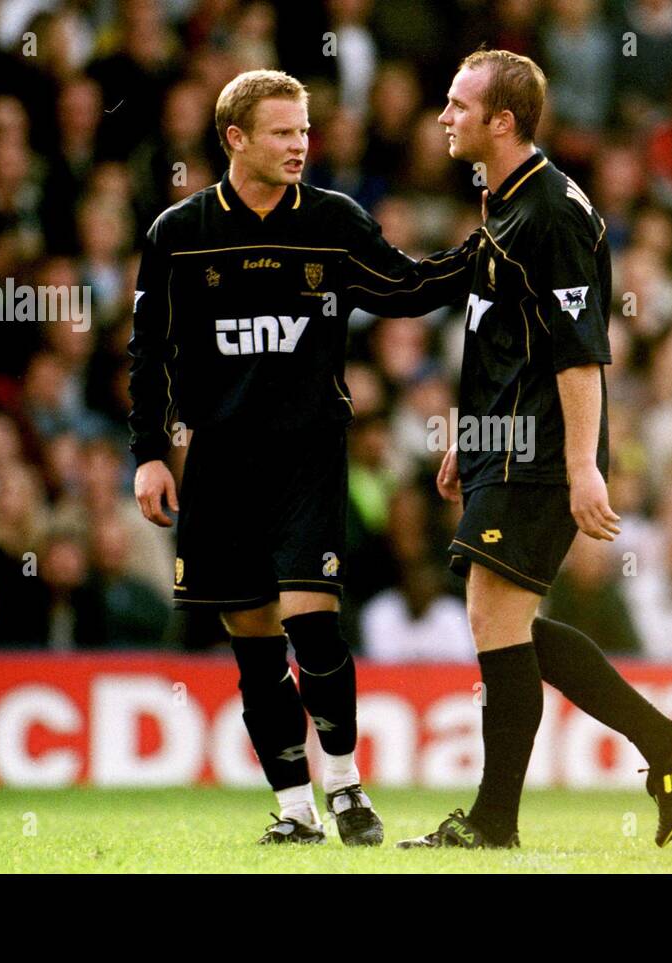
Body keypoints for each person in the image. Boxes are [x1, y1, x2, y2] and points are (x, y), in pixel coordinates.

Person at [129, 69, 478, 846]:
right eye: (283, 132)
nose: (300, 145)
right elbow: (147, 352)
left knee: (313, 624)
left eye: (305, 130)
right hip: (217, 462)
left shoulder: (332, 220)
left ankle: (348, 786)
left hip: (308, 454)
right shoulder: (179, 234)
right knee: (254, 643)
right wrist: (150, 453)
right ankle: (295, 807)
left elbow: (408, 288)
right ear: (235, 139)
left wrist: (487, 251)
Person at [398, 50, 672, 851]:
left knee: (494, 617)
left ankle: (493, 821)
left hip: (541, 452)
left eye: (458, 105)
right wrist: (468, 435)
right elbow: (501, 336)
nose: (444, 117)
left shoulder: (553, 213)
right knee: (502, 621)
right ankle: (666, 746)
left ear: (502, 122)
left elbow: (582, 352)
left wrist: (583, 465)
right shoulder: (502, 201)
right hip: (503, 443)